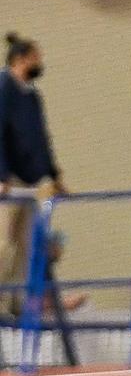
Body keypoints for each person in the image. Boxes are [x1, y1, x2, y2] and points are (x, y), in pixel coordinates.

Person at [1, 32, 67, 287]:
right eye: (35, 57)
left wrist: (54, 175)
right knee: (4, 244)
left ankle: (18, 302)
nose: (40, 62)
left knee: (26, 247)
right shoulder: (4, 88)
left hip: (28, 182)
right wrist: (1, 175)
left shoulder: (31, 97)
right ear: (20, 59)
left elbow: (41, 138)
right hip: (9, 182)